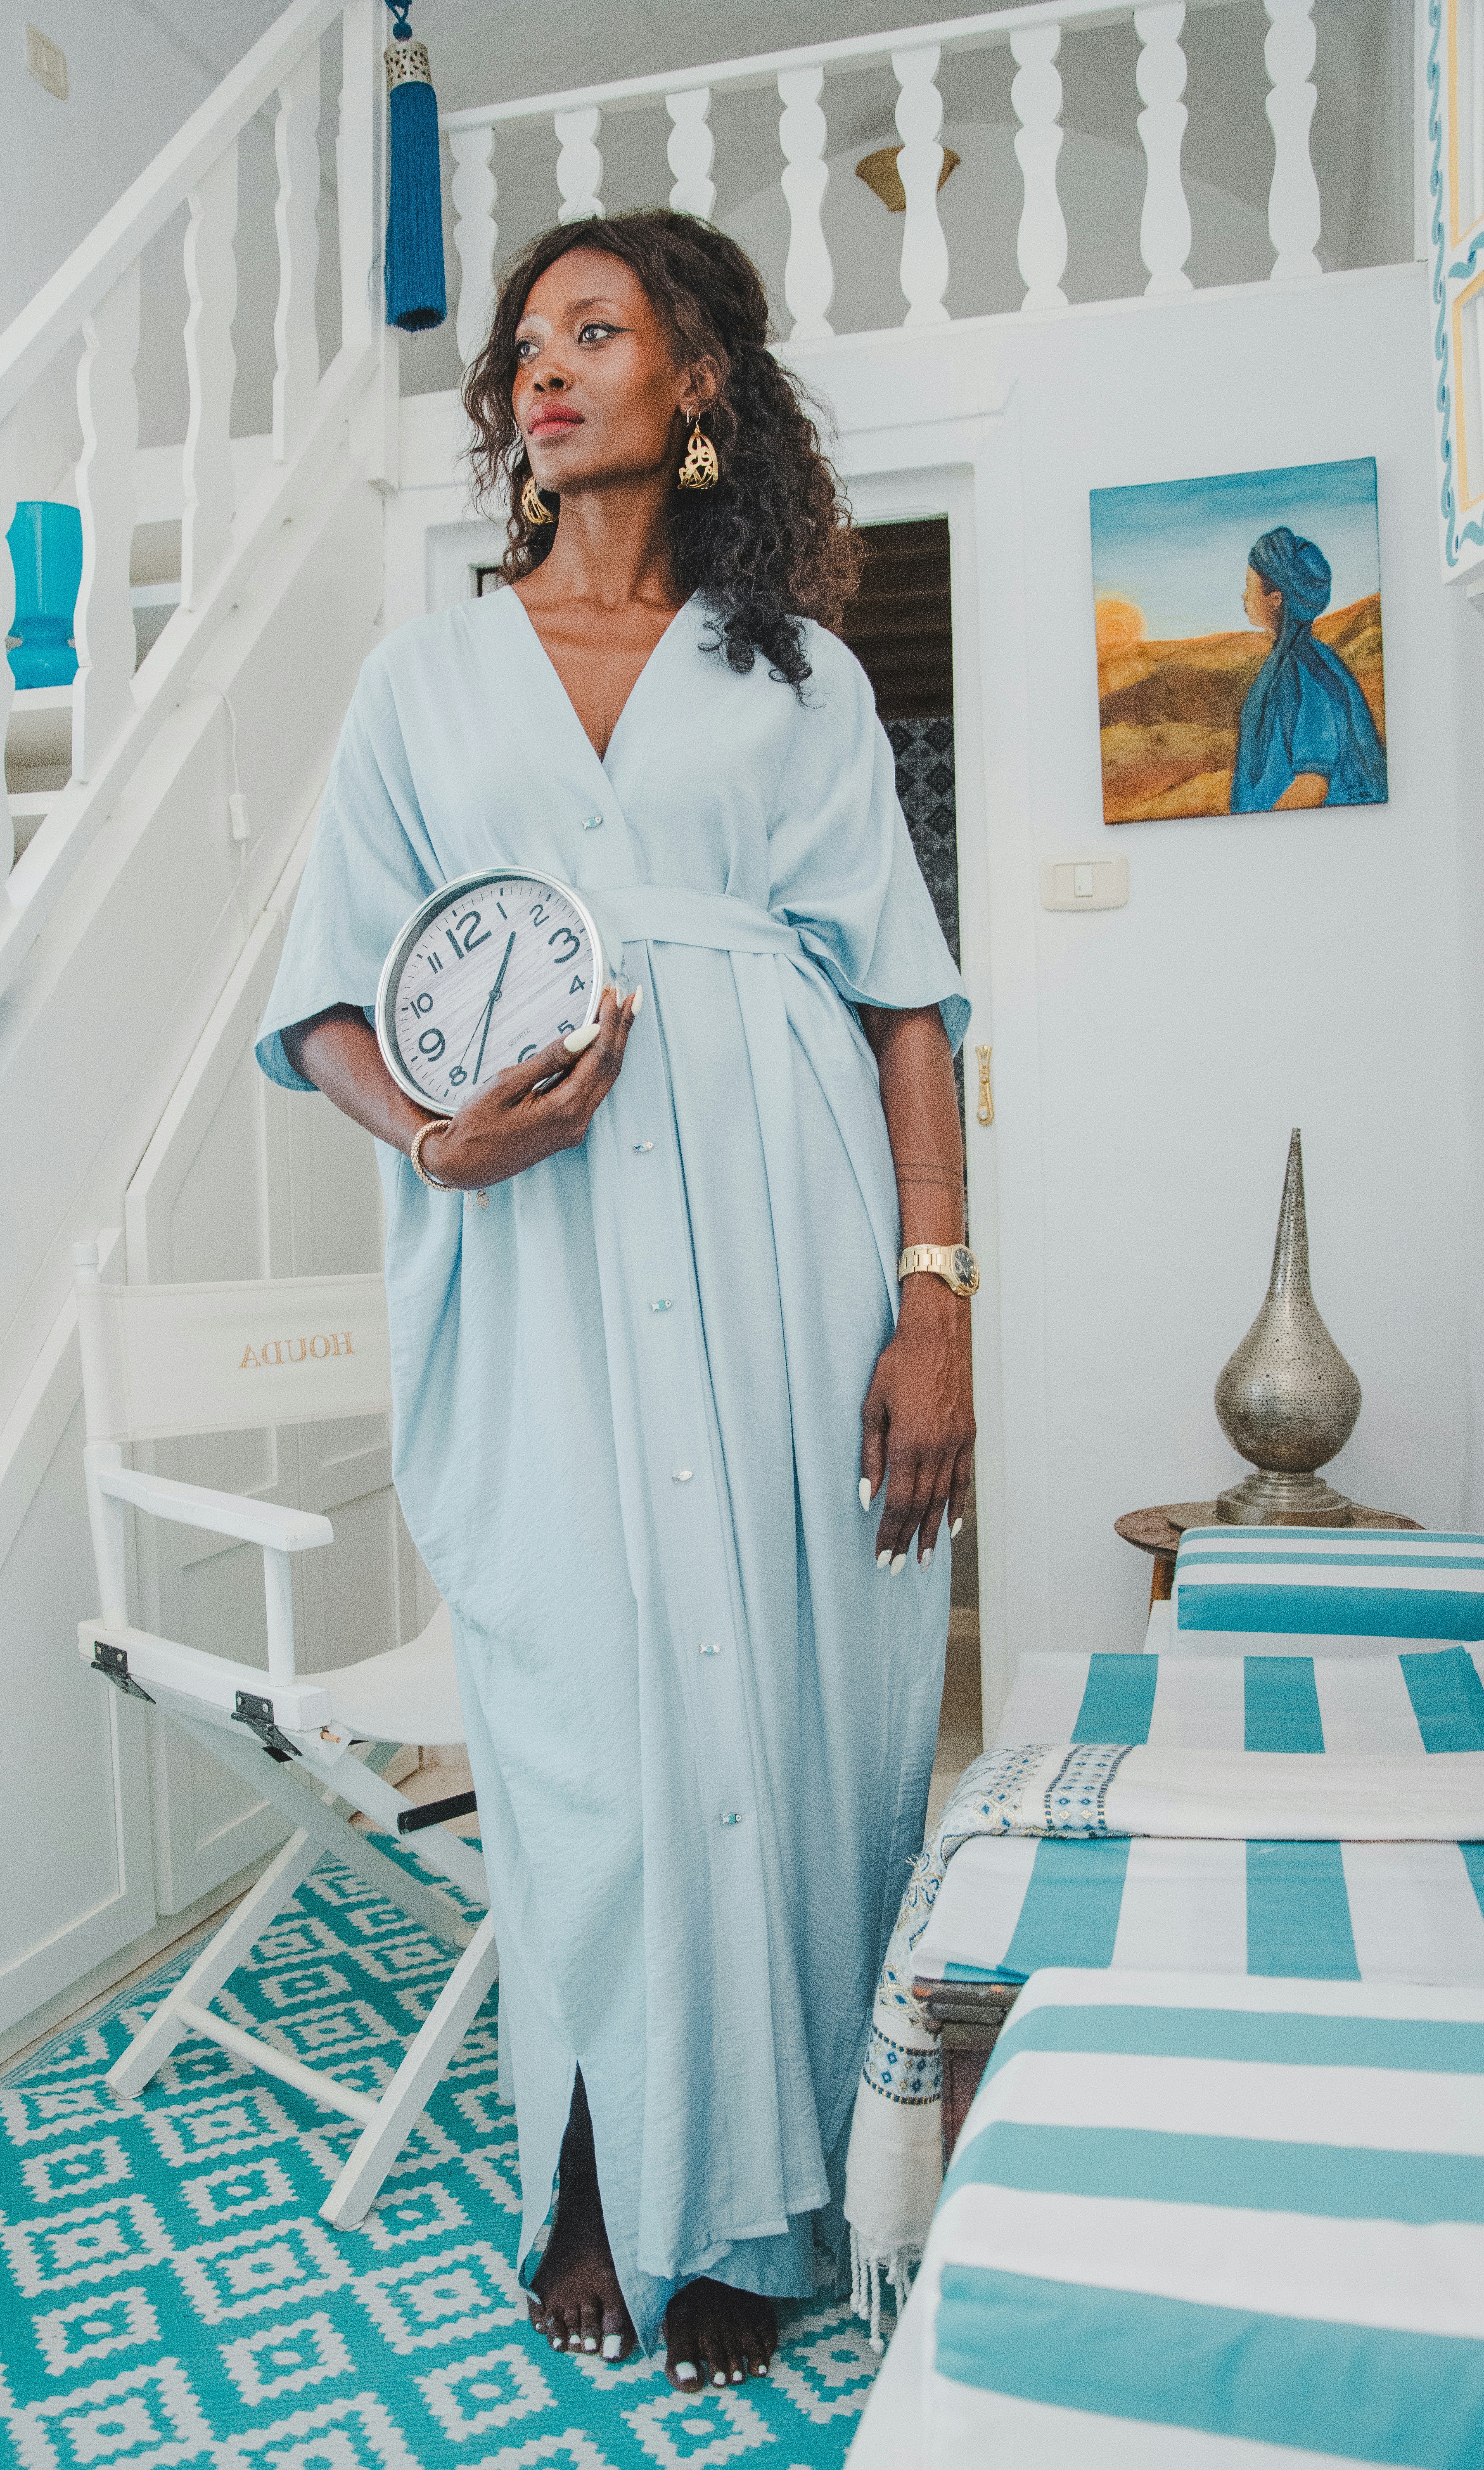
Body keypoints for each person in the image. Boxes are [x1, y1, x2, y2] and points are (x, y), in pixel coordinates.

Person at [254, 210, 974, 2390]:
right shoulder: (425, 679)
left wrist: (934, 1301)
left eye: (598, 330)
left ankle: (765, 2191)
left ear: (702, 385)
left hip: (786, 1238)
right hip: (537, 1250)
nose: (543, 370)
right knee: (590, 1714)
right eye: (525, 343)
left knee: (781, 1707)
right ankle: (601, 2157)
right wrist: (432, 1139)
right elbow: (330, 998)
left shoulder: (802, 676)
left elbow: (909, 1005)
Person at [1232, 524, 1387, 813]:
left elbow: (1313, 783)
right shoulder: (1295, 661)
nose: (1244, 595)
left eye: (1250, 585)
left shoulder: (1305, 671)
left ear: (1276, 599)